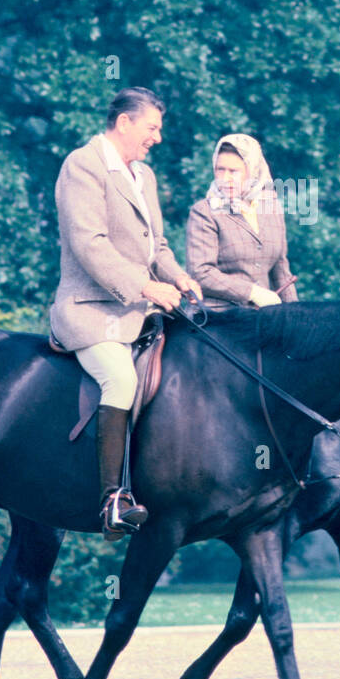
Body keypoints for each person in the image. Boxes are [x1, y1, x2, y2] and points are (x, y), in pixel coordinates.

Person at [49, 87, 202, 539]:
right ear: (125, 123)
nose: (157, 137)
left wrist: (180, 278)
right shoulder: (83, 165)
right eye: (152, 127)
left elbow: (157, 247)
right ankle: (112, 500)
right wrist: (145, 285)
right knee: (121, 379)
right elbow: (89, 244)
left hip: (140, 307)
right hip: (91, 310)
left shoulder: (144, 176)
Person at [185, 133, 298, 311]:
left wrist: (296, 316)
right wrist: (253, 293)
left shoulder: (272, 208)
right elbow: (201, 273)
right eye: (220, 170)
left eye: (234, 171)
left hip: (263, 318)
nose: (225, 178)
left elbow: (281, 271)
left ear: (252, 172)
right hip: (218, 317)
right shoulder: (204, 211)